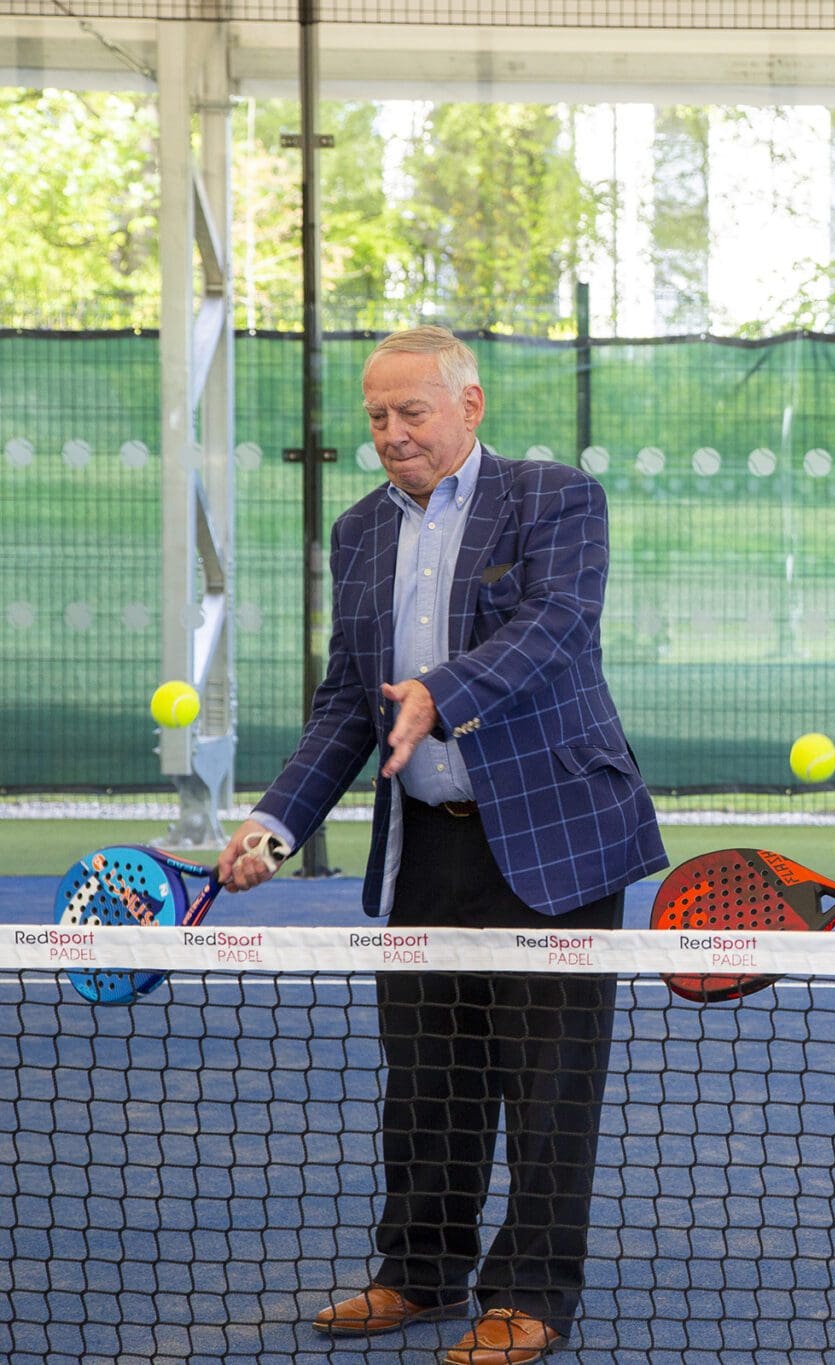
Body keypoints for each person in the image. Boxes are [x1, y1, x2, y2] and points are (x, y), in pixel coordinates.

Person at [215, 326, 666, 1365]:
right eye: (375, 416)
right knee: (427, 1079)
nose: (390, 433)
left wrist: (436, 694)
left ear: (470, 405)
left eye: (411, 411)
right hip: (427, 841)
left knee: (548, 1086)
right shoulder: (358, 531)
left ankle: (532, 1298)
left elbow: (555, 630)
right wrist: (274, 823)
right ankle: (417, 1274)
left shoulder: (556, 498)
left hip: (558, 837)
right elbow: (345, 702)